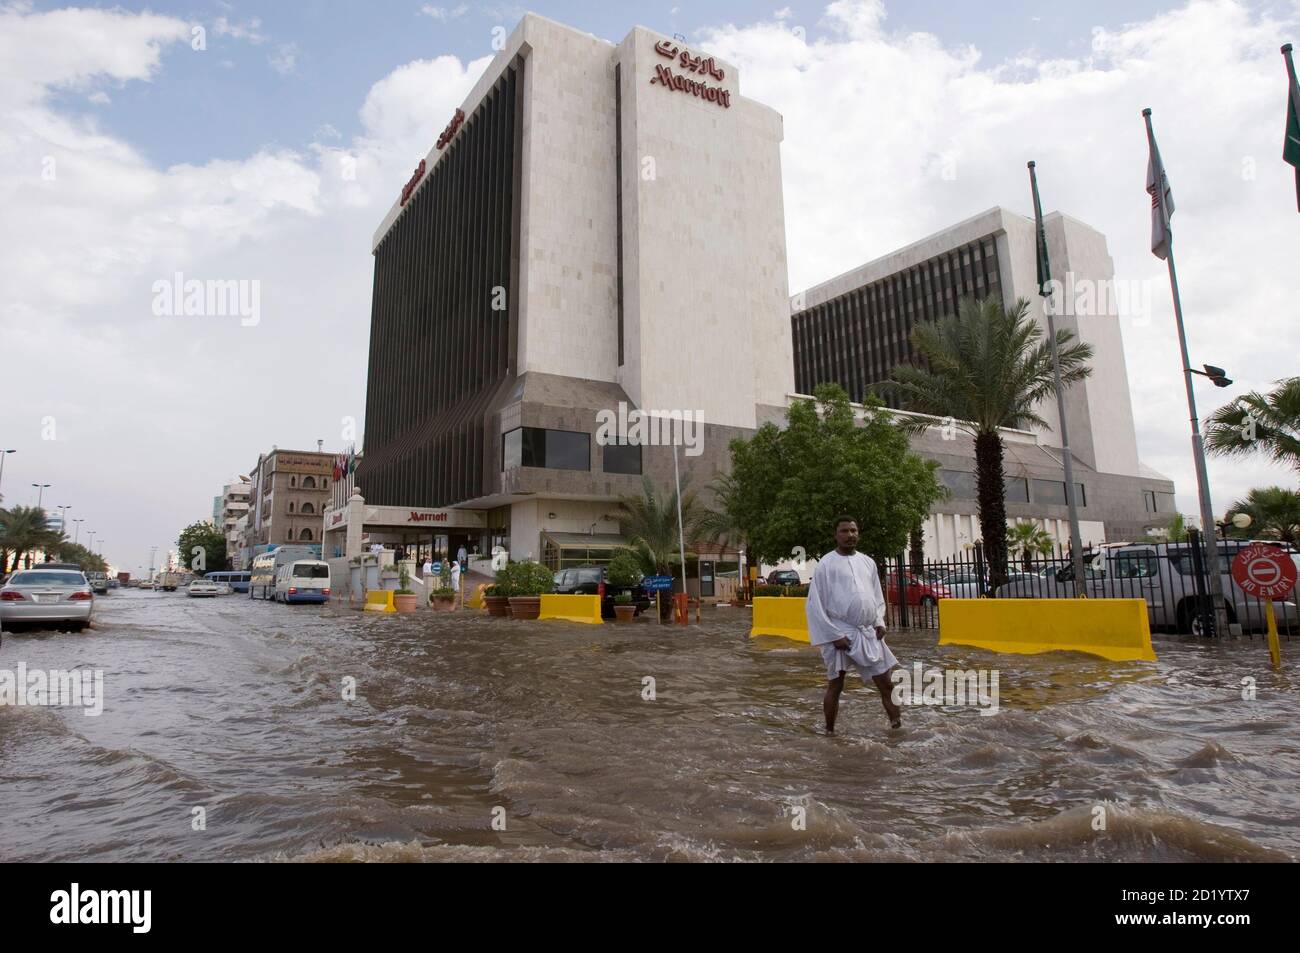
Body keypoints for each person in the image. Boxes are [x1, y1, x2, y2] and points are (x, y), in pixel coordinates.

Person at [805, 514, 902, 732]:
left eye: (853, 531)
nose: (850, 535)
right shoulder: (825, 565)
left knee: (886, 684)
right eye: (845, 531)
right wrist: (833, 635)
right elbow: (815, 605)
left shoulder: (867, 562)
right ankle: (829, 731)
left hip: (868, 633)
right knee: (836, 685)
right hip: (840, 633)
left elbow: (877, 596)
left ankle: (897, 728)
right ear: (836, 535)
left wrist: (879, 621)